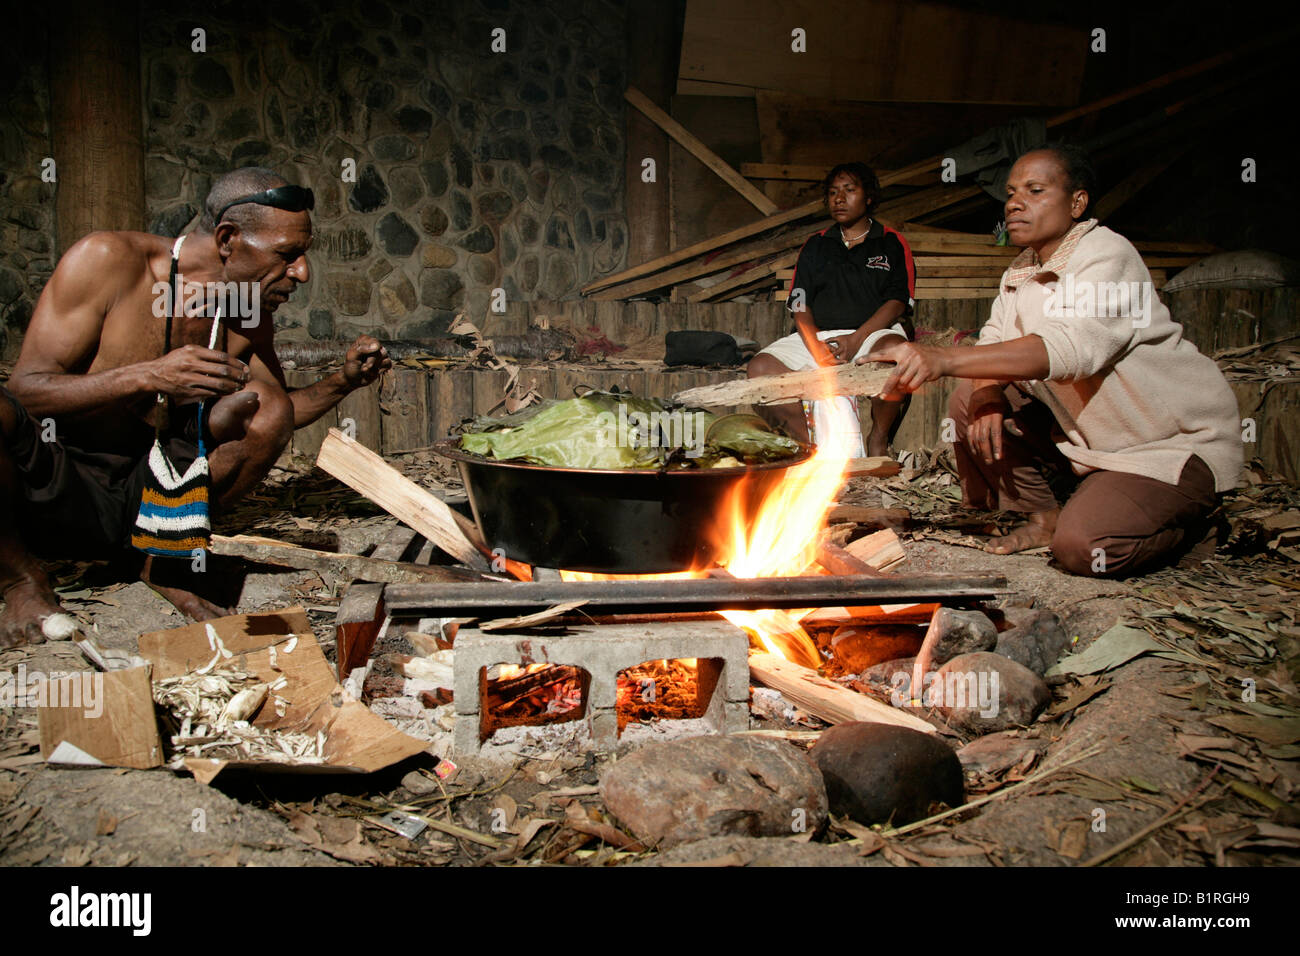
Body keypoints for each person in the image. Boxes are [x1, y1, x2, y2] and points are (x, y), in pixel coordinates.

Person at [0, 167, 392, 646]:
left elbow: (277, 415)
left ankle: (161, 557)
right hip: (54, 486)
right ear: (228, 238)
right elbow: (24, 390)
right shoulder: (109, 261)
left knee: (263, 404)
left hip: (149, 497)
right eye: (288, 255)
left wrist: (342, 383)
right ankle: (21, 580)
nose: (302, 272)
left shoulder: (246, 309)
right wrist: (148, 375)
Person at [870, 144, 1242, 578]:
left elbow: (1072, 350)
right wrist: (987, 392)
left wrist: (942, 358)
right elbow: (994, 340)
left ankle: (1192, 526)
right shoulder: (1021, 271)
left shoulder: (1106, 255)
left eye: (1035, 190)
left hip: (1164, 448)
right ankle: (1043, 516)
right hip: (1094, 442)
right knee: (969, 399)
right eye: (1010, 192)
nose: (1014, 203)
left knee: (1084, 548)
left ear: (1077, 203)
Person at [747, 162, 914, 456]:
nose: (839, 199)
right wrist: (815, 346)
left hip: (873, 334)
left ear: (869, 197)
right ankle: (809, 448)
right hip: (819, 336)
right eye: (833, 192)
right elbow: (799, 303)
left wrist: (856, 339)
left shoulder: (890, 242)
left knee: (897, 357)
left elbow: (897, 302)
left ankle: (878, 439)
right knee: (760, 368)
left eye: (849, 190)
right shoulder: (816, 245)